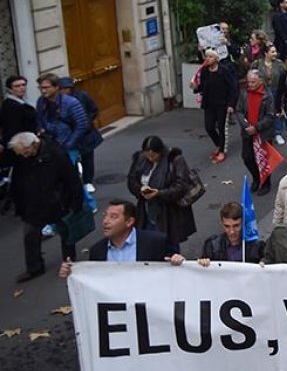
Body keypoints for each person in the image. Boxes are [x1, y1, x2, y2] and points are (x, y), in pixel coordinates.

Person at [10, 132, 81, 282]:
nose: (24, 156)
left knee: (66, 234)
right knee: (30, 234)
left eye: (25, 152)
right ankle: (34, 268)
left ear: (34, 145)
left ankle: (69, 264)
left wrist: (75, 203)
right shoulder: (25, 157)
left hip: (58, 202)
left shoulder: (56, 154)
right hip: (34, 204)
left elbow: (72, 179)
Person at [59, 200, 182, 276]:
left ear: (129, 222)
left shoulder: (155, 241)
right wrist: (73, 272)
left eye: (113, 217)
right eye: (105, 216)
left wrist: (178, 261)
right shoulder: (97, 251)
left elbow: (175, 274)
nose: (106, 221)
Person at [126, 136, 197, 252]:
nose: (150, 158)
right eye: (147, 155)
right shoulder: (140, 159)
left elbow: (181, 186)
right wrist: (140, 189)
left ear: (160, 152)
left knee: (169, 245)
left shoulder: (174, 160)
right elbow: (132, 179)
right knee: (148, 243)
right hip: (146, 211)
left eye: (153, 155)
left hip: (168, 213)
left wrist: (159, 193)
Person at [190, 50, 238, 163]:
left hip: (222, 104)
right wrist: (195, 87)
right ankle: (218, 144)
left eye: (210, 57)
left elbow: (233, 88)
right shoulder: (205, 71)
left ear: (216, 59)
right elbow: (202, 86)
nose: (207, 59)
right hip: (209, 103)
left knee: (221, 127)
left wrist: (231, 104)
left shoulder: (224, 71)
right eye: (206, 57)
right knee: (209, 127)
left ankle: (222, 151)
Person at [56, 77, 103, 193]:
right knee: (71, 158)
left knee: (87, 157)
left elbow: (93, 110)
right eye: (61, 89)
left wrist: (87, 120)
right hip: (69, 134)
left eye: (66, 88)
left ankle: (88, 181)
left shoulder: (82, 96)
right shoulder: (57, 101)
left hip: (85, 133)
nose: (64, 91)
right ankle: (74, 180)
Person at [33, 72, 89, 164]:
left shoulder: (71, 102)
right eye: (41, 88)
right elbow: (39, 118)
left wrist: (69, 144)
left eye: (46, 88)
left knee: (69, 174)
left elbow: (82, 125)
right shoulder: (41, 101)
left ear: (56, 87)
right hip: (49, 144)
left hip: (67, 145)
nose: (43, 91)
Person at [236, 70, 276, 195]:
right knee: (247, 157)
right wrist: (246, 125)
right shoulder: (244, 94)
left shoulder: (267, 96)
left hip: (262, 133)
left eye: (253, 82)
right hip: (248, 132)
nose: (250, 85)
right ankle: (256, 178)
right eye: (249, 82)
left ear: (260, 81)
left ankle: (265, 183)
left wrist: (257, 127)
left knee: (263, 160)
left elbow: (270, 116)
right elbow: (239, 111)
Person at [198, 202, 265, 265]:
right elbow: (202, 271)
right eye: (227, 226)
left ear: (243, 223)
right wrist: (203, 263)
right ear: (222, 224)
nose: (232, 231)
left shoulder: (257, 246)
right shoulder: (212, 246)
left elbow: (268, 262)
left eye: (236, 226)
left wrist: (264, 262)